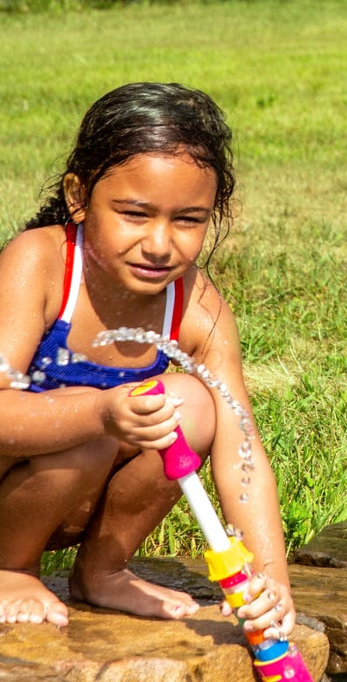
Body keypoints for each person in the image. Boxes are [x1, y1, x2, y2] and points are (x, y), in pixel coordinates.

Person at [0, 82, 299, 636]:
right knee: (88, 424)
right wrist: (97, 414)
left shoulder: (195, 304)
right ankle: (10, 567)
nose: (161, 244)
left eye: (187, 219)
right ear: (78, 196)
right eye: (135, 213)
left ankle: (103, 570)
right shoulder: (40, 264)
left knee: (198, 407)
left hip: (81, 488)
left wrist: (270, 579)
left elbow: (242, 450)